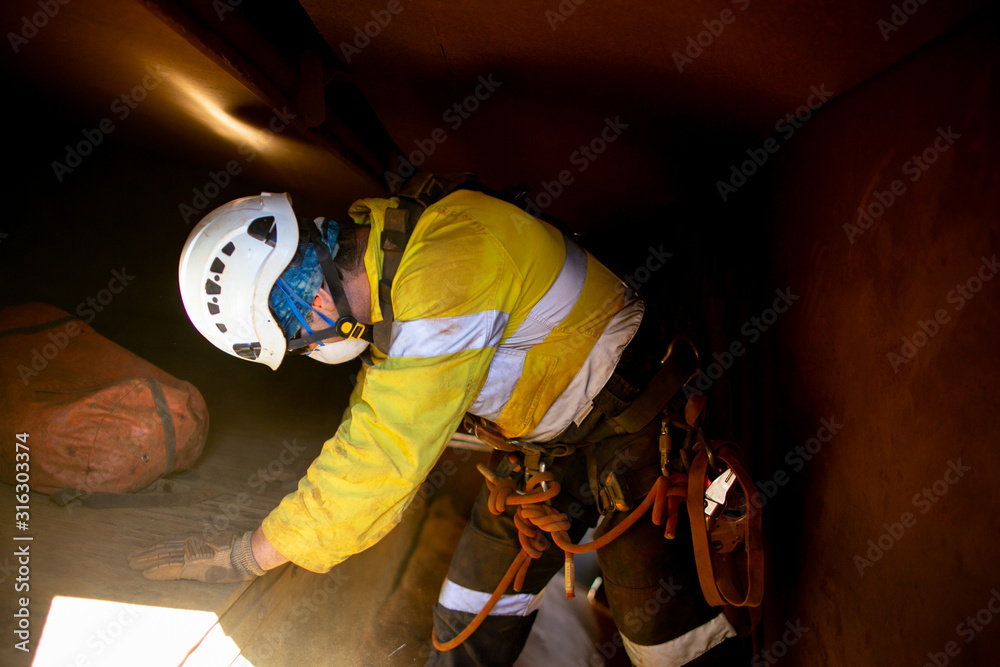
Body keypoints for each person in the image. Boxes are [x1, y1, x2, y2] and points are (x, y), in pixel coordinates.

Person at [129, 175, 747, 665]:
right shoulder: (394, 263)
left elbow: (380, 456)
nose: (306, 348)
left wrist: (248, 556)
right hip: (553, 441)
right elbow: (378, 411)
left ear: (309, 302)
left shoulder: (440, 276)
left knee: (667, 644)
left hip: (632, 418)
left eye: (292, 338)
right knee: (466, 612)